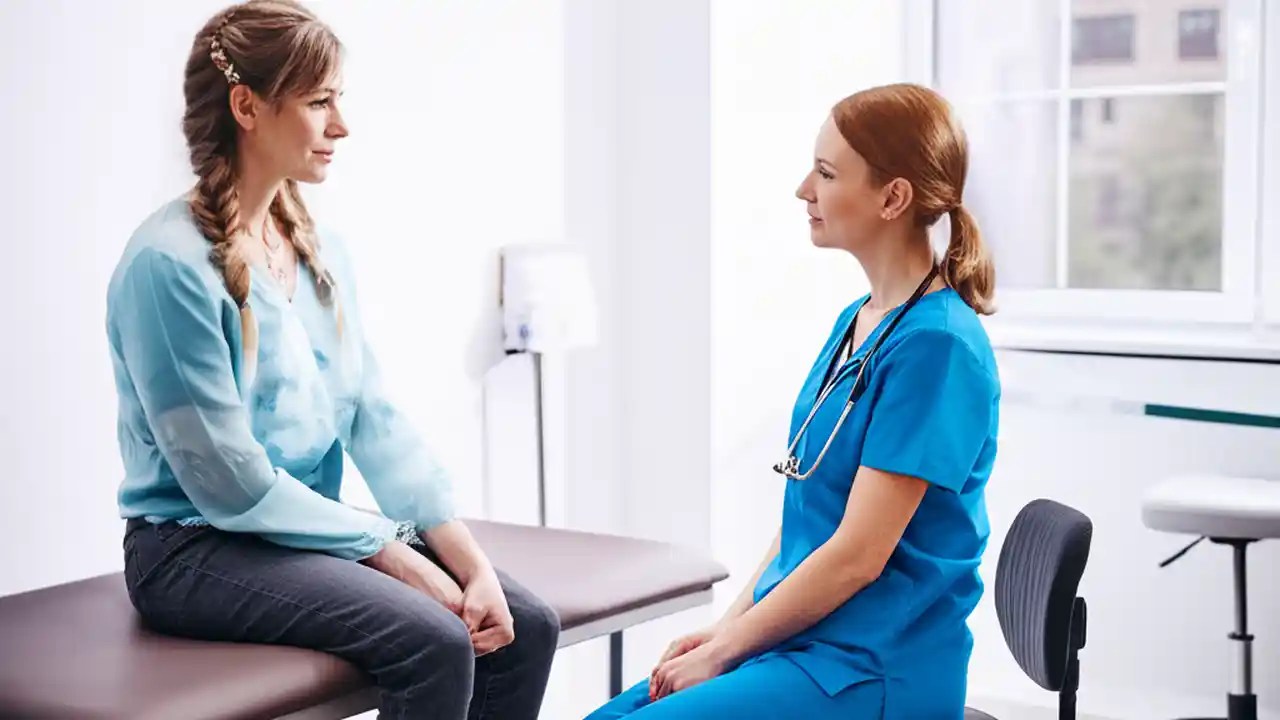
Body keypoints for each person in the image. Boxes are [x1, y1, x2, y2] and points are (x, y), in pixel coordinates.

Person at [105, 2, 558, 718]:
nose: (341, 125)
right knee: (434, 641)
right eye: (320, 102)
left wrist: (465, 559)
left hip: (296, 531)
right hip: (191, 549)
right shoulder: (168, 267)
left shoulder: (314, 251)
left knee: (526, 626)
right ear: (246, 106)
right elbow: (229, 483)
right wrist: (391, 553)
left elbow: (371, 418)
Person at [586, 83, 1001, 719]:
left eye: (827, 173)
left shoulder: (939, 348)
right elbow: (810, 512)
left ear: (893, 197)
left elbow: (857, 556)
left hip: (875, 667)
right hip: (807, 641)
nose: (804, 188)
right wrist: (727, 630)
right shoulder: (860, 321)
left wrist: (726, 654)